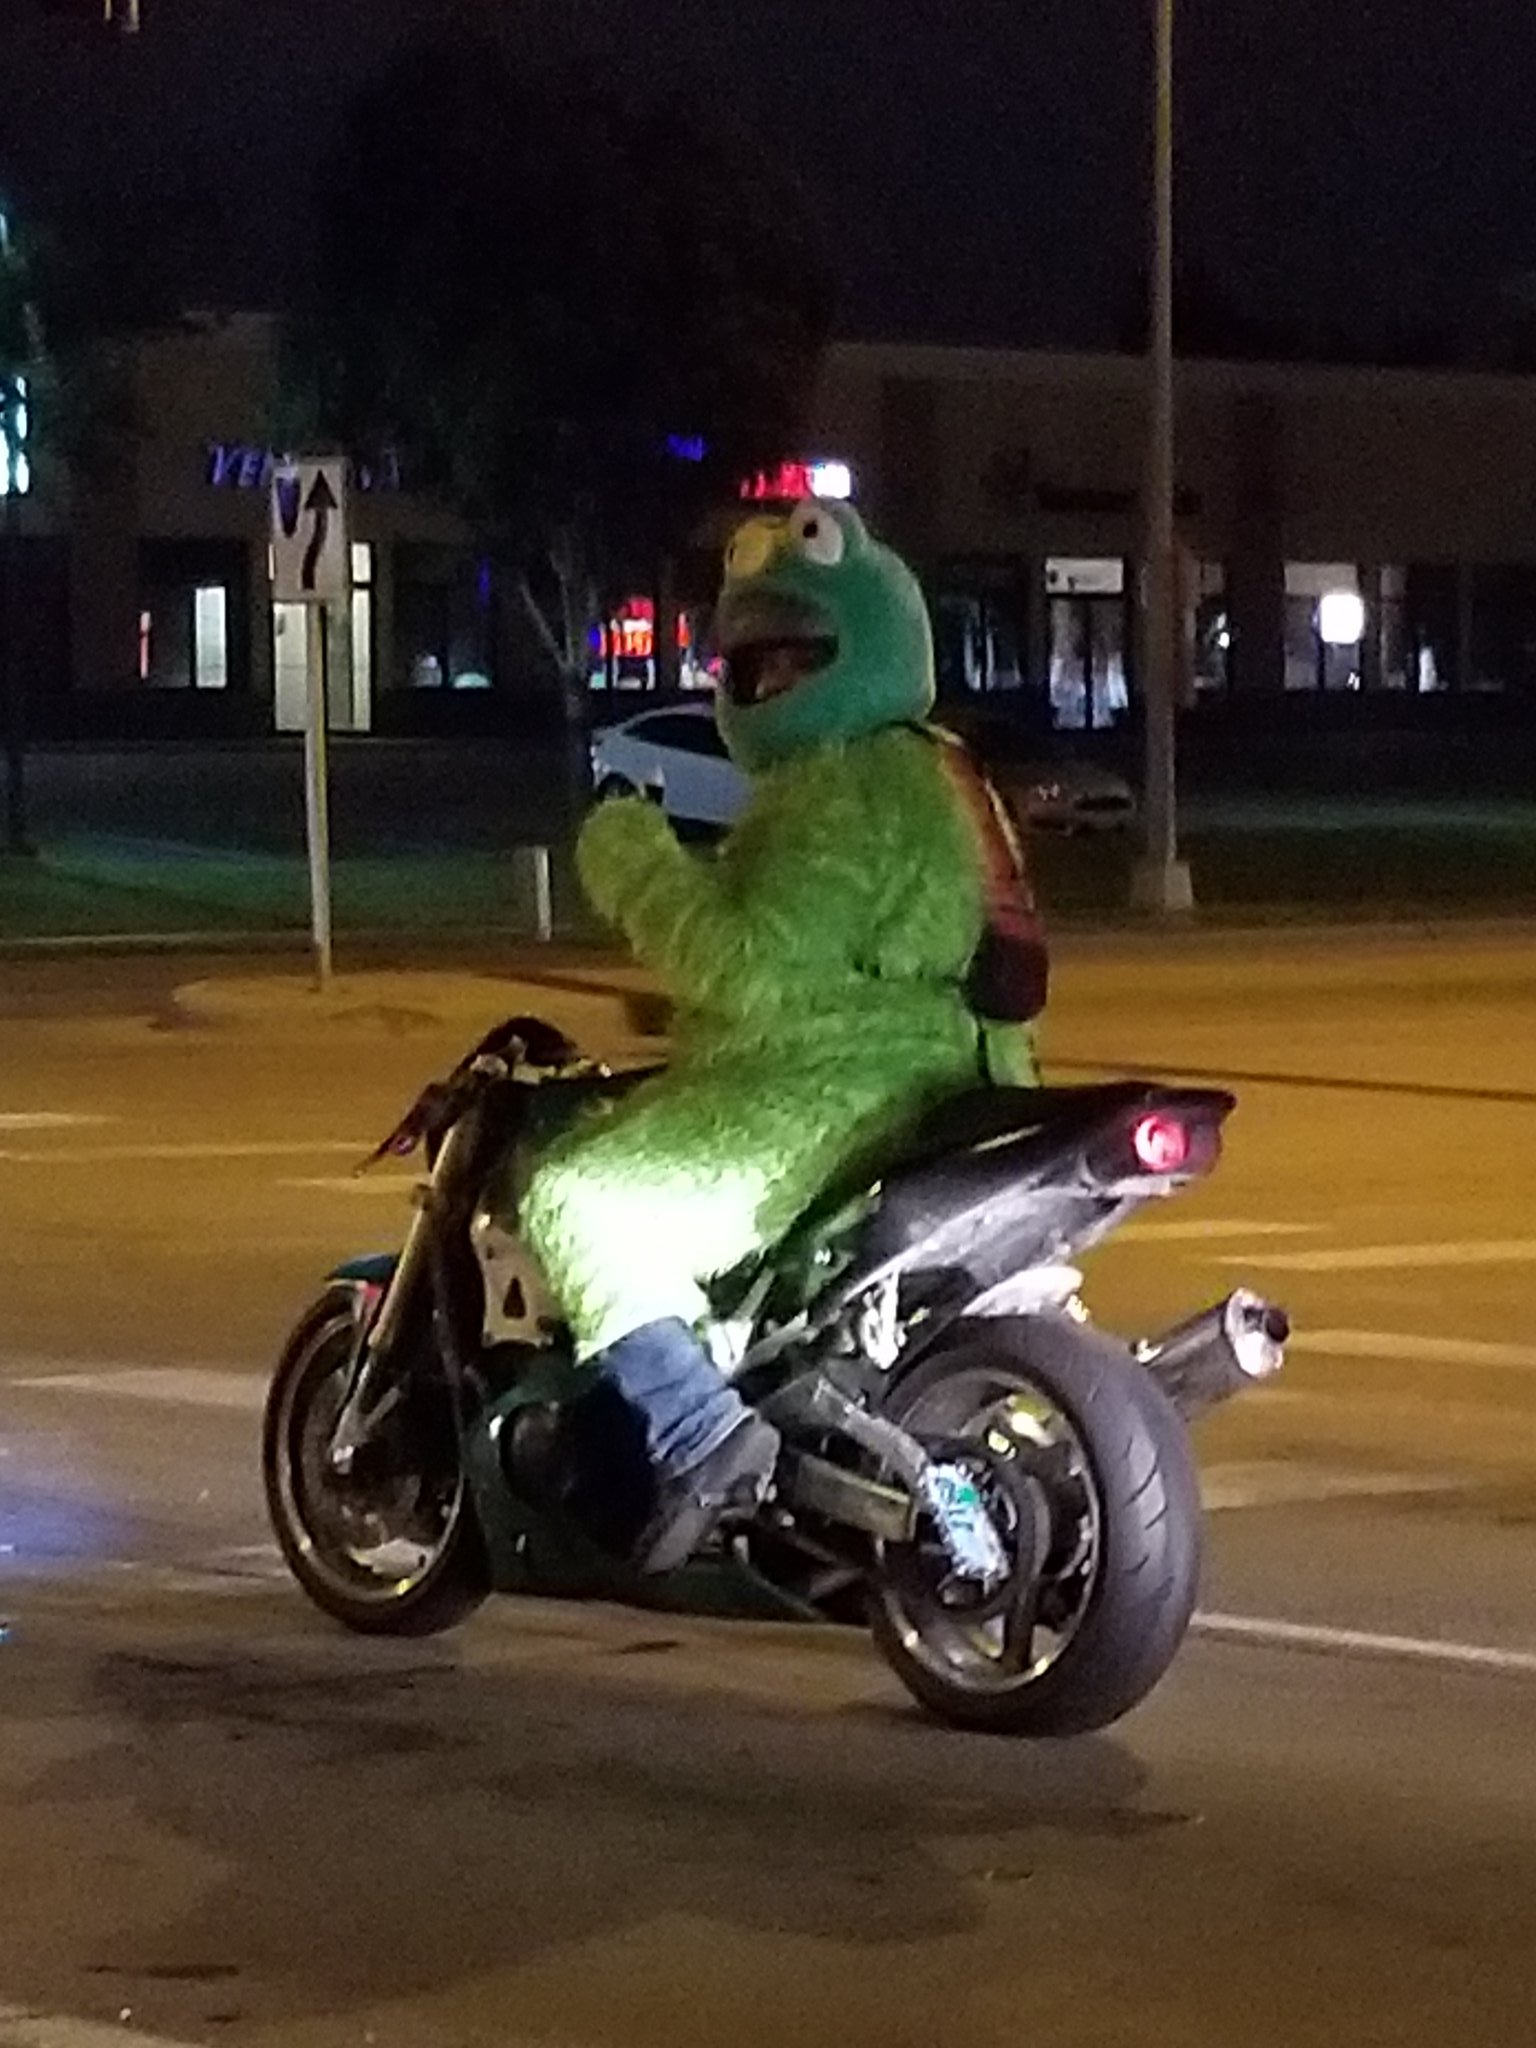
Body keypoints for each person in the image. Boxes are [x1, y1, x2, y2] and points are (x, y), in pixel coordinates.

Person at [522, 499, 1047, 1574]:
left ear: (871, 643)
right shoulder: (939, 768)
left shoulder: (840, 786)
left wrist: (631, 853)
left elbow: (753, 968)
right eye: (750, 664)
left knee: (579, 1199)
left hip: (832, 1092)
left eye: (798, 657)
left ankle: (698, 1432)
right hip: (958, 1079)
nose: (765, 684)